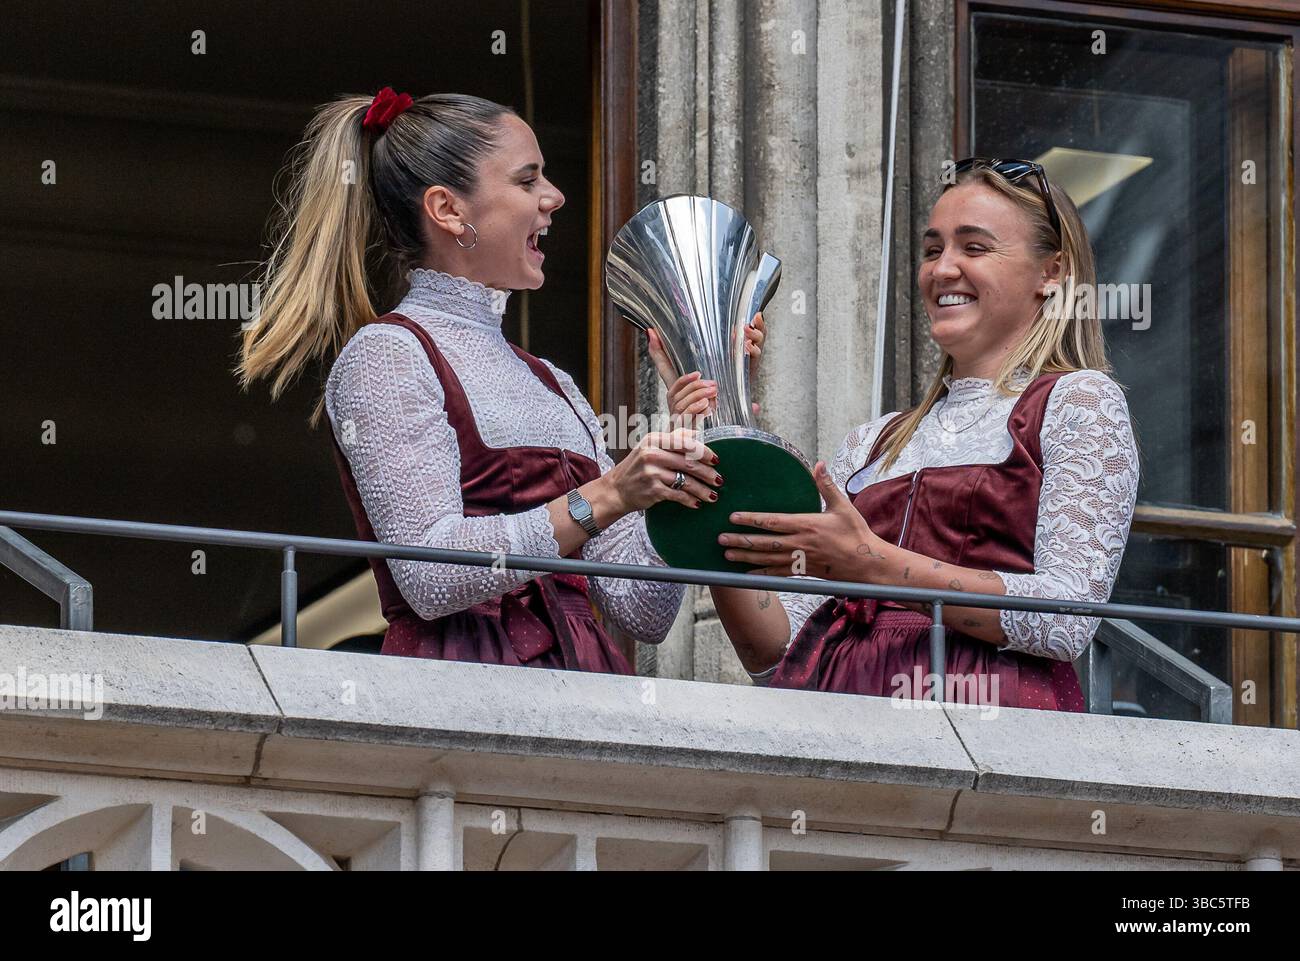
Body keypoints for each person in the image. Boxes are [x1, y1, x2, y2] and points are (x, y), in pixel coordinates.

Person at [238, 88, 724, 673]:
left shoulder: (553, 381)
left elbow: (642, 612)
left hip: (588, 694)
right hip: (464, 690)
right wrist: (611, 493)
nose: (554, 197)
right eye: (527, 180)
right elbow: (430, 575)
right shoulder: (388, 355)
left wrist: (680, 454)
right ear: (448, 210)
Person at [656, 159, 1140, 710]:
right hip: (840, 721)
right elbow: (774, 651)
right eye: (933, 250)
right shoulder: (873, 442)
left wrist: (870, 562)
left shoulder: (1078, 400)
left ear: (1050, 273)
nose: (942, 269)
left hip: (989, 727)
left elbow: (1066, 619)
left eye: (974, 248)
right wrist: (720, 457)